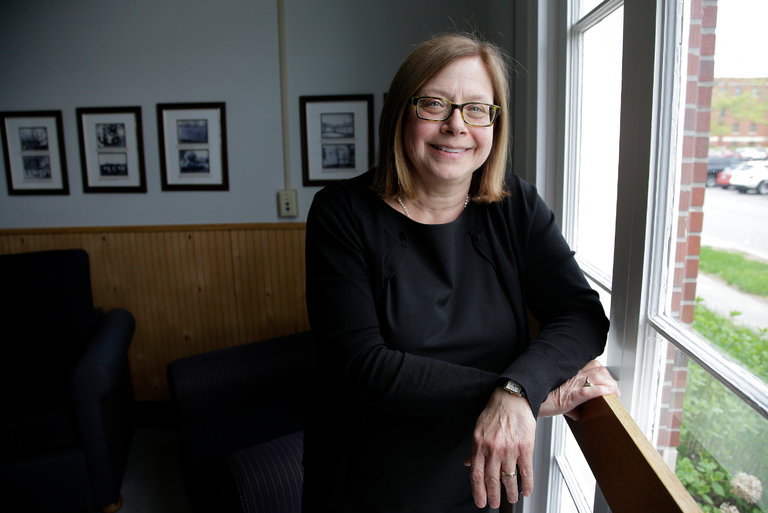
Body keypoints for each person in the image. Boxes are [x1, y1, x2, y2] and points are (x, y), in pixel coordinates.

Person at [303, 32, 618, 513]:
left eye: (476, 109)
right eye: (434, 105)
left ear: (495, 124)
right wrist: (520, 395)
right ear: (400, 113)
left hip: (484, 478)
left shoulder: (517, 206)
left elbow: (581, 312)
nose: (456, 125)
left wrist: (518, 390)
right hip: (372, 483)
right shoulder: (341, 212)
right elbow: (361, 365)